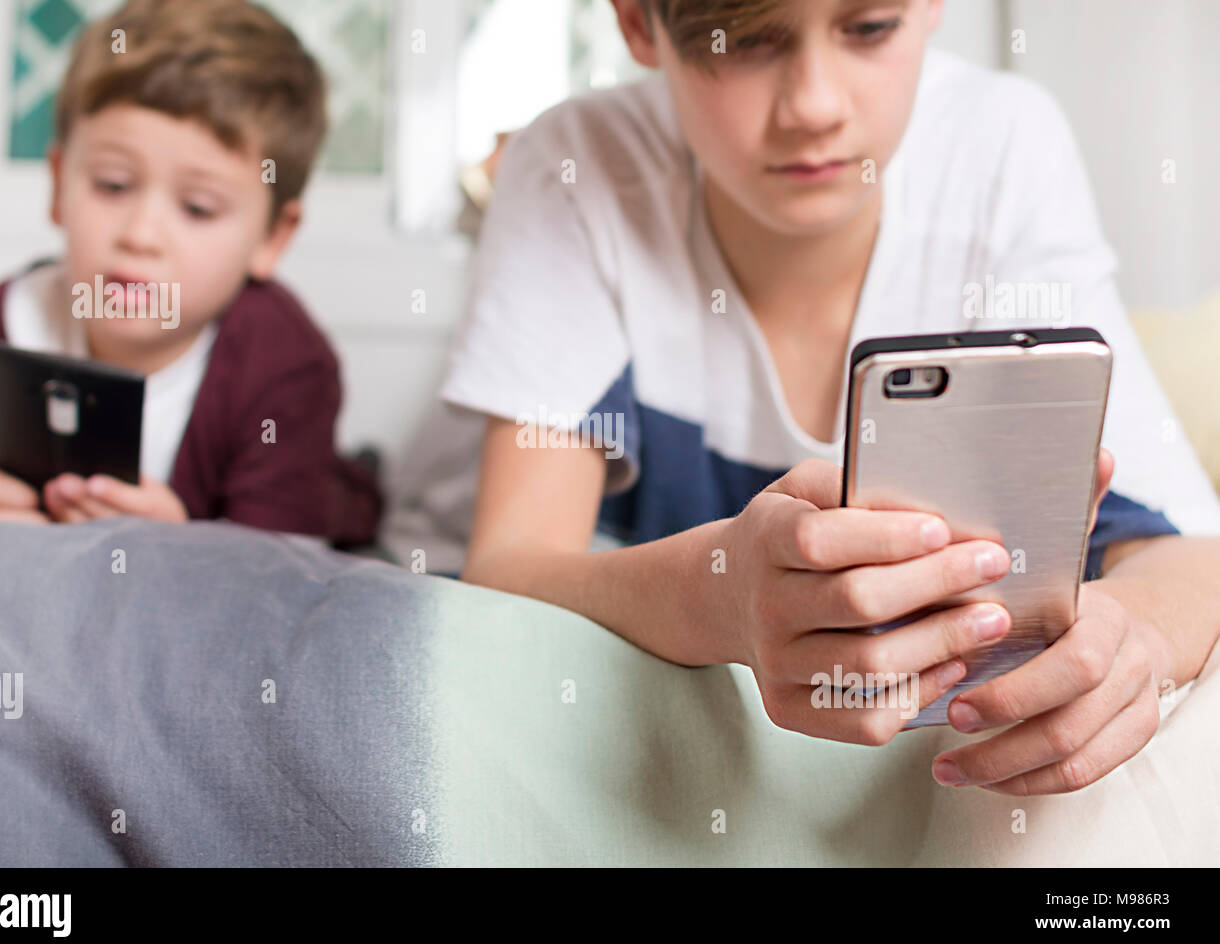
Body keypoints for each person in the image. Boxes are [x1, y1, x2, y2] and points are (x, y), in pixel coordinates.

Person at [432, 0, 1220, 793]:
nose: (813, 105)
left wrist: (1140, 632)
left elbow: (1194, 558)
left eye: (869, 28)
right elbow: (508, 572)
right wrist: (721, 598)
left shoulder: (1003, 145)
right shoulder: (576, 162)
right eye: (744, 42)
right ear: (638, 25)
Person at [0, 0, 380, 543]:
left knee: (344, 505)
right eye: (113, 185)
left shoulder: (285, 363)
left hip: (303, 501)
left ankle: (363, 476)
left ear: (272, 237)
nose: (140, 235)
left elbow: (280, 582)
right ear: (58, 185)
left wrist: (178, 557)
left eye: (198, 208)